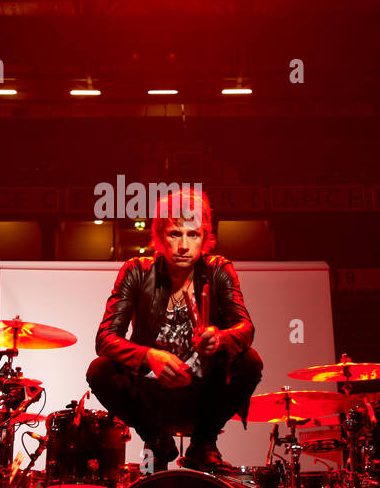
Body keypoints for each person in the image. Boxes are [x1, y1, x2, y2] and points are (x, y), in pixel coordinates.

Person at [86, 189, 263, 471]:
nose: (183, 245)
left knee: (250, 360)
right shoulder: (137, 270)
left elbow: (245, 328)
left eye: (192, 235)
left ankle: (203, 445)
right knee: (100, 369)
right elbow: (105, 339)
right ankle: (156, 439)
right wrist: (150, 357)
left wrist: (219, 340)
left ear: (205, 237)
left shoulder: (219, 270)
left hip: (204, 396)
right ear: (159, 236)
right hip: (150, 399)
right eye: (174, 234)